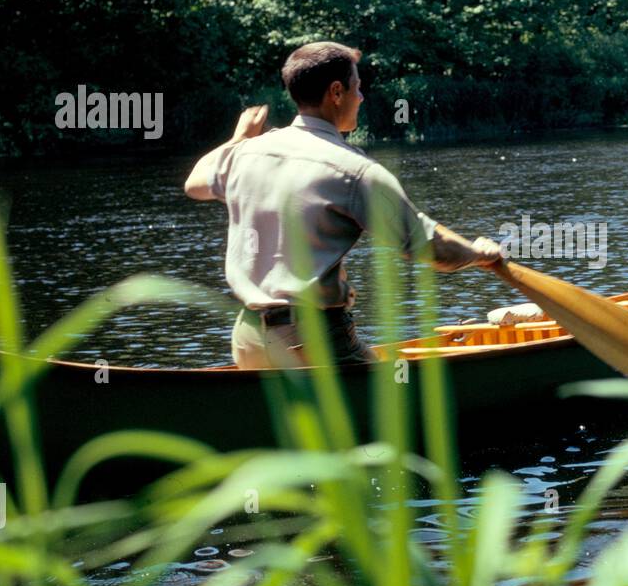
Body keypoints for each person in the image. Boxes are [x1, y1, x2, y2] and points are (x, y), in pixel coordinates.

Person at [184, 41, 504, 368]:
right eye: (358, 88)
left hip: (248, 339)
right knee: (400, 396)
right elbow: (428, 247)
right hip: (309, 341)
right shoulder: (356, 171)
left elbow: (195, 183)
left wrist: (238, 139)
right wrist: (479, 254)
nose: (361, 98)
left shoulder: (246, 153)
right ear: (336, 92)